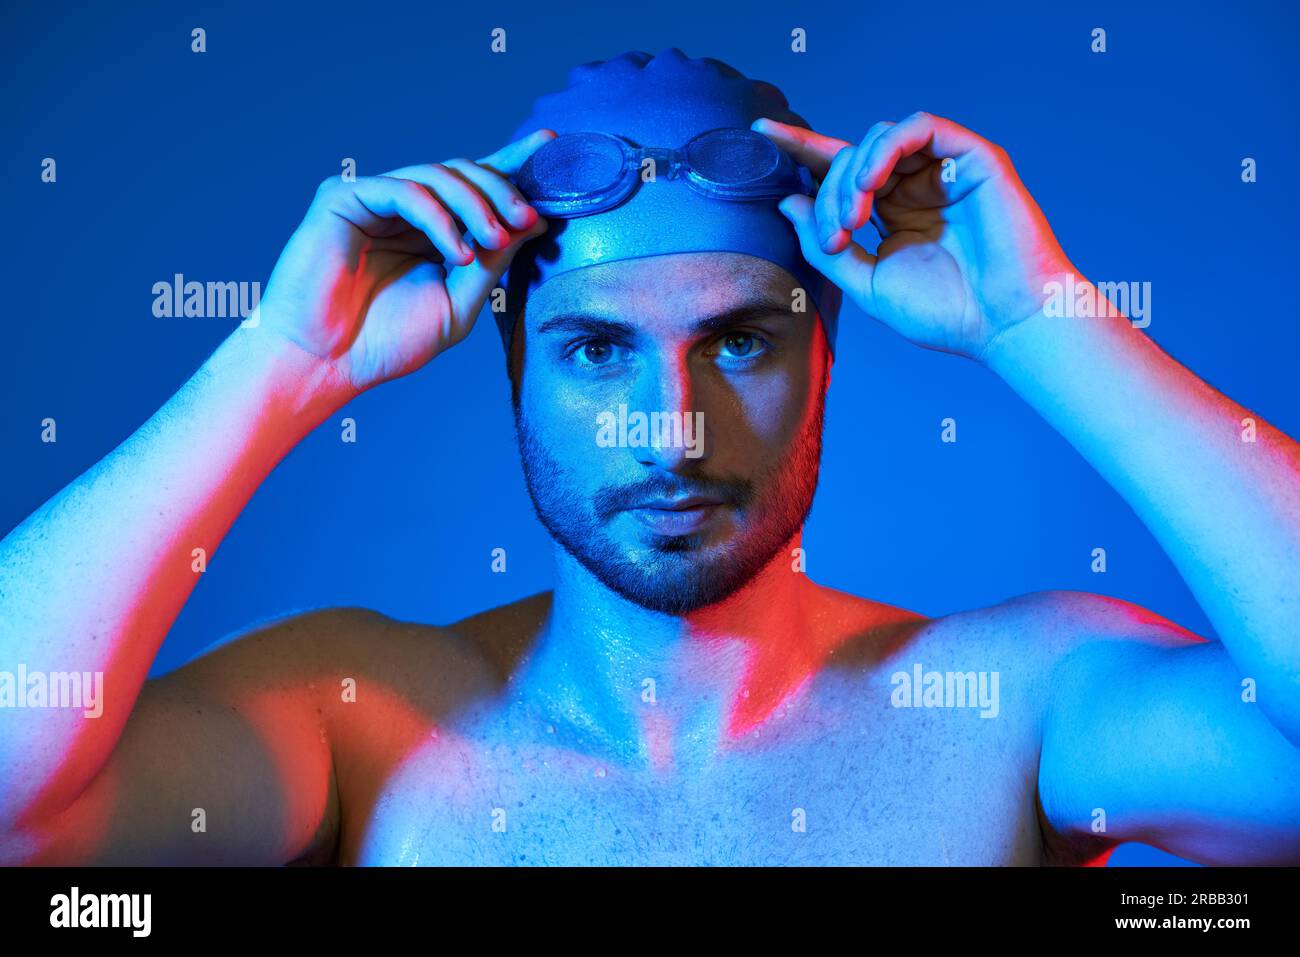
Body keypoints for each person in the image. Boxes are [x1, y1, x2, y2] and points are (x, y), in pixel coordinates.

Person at [1, 48, 1297, 866]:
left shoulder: (1019, 706)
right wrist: (278, 363)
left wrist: (1041, 325)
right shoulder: (360, 720)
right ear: (515, 370)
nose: (672, 426)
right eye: (595, 352)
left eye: (738, 343)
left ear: (827, 355)